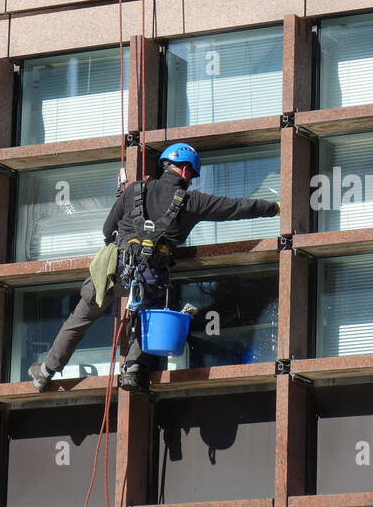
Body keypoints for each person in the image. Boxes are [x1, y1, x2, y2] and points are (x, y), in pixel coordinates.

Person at [28, 142, 279, 393]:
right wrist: (273, 208)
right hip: (149, 276)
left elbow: (107, 230)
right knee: (146, 316)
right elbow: (235, 208)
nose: (191, 180)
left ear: (166, 166)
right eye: (191, 174)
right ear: (185, 171)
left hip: (113, 268)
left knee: (81, 317)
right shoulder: (192, 201)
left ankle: (46, 371)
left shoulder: (134, 190)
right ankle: (133, 369)